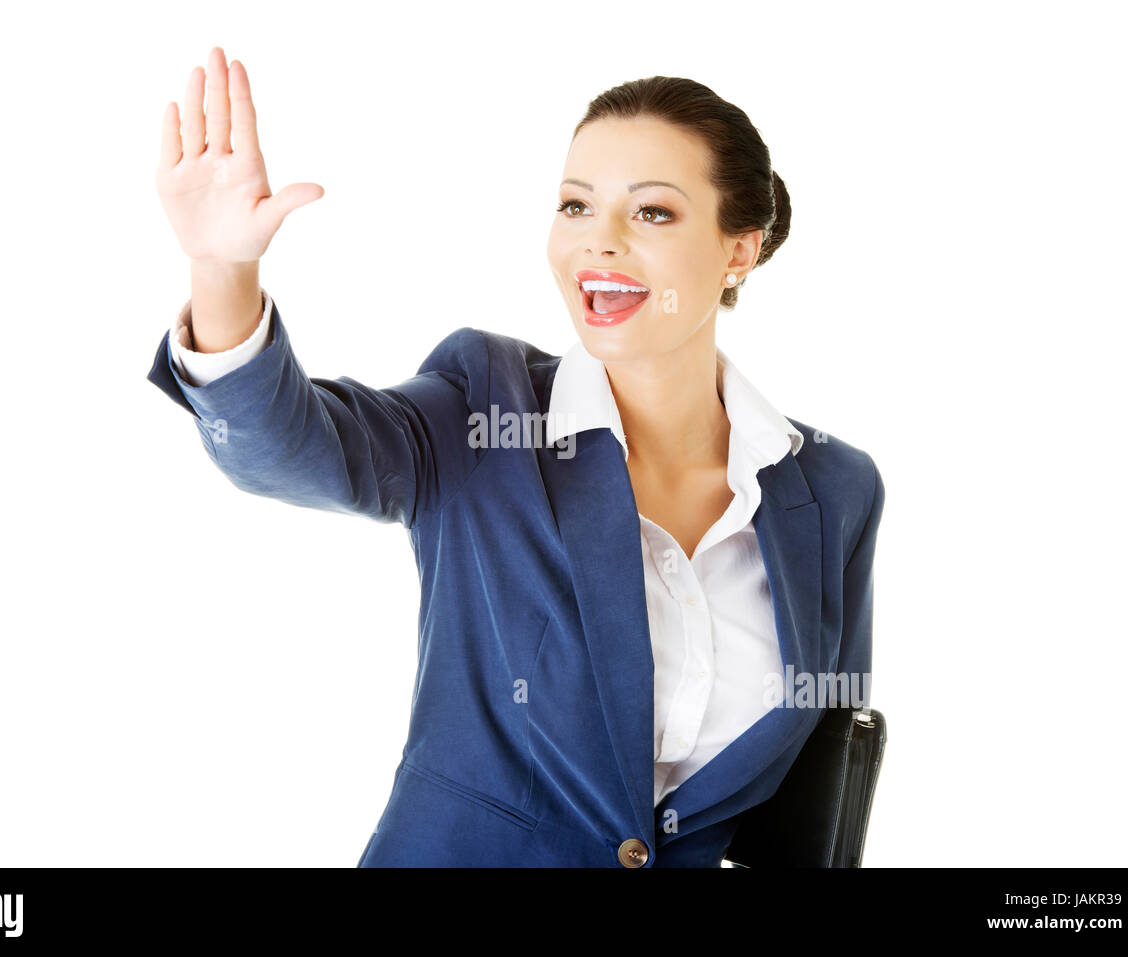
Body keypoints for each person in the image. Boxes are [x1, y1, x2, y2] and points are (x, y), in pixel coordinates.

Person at [147, 46, 885, 867]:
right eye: (575, 205)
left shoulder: (832, 487)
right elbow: (292, 451)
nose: (597, 242)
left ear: (739, 250)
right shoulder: (484, 407)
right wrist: (222, 269)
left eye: (652, 213)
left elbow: (814, 787)